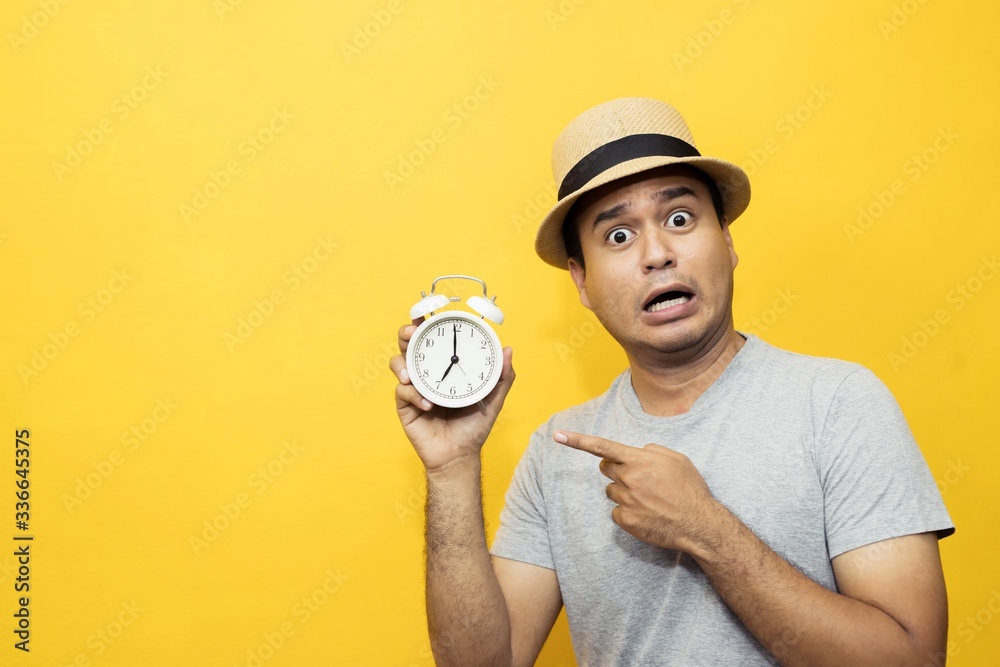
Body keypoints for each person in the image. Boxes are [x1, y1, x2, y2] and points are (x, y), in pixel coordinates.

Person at [391, 97, 955, 666]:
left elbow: (914, 660)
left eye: (679, 219)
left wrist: (705, 529)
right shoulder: (556, 452)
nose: (657, 254)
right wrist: (451, 470)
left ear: (727, 241)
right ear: (581, 282)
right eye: (618, 236)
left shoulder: (839, 404)